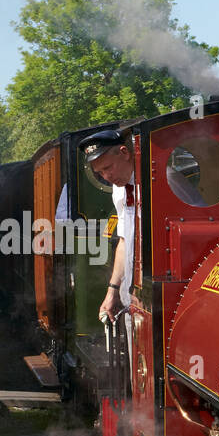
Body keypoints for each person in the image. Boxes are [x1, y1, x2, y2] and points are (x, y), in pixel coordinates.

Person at [83, 129, 137, 322]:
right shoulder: (119, 190)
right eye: (100, 173)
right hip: (131, 296)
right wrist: (112, 290)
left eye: (108, 167)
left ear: (124, 152)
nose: (107, 176)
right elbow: (124, 240)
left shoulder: (167, 182)